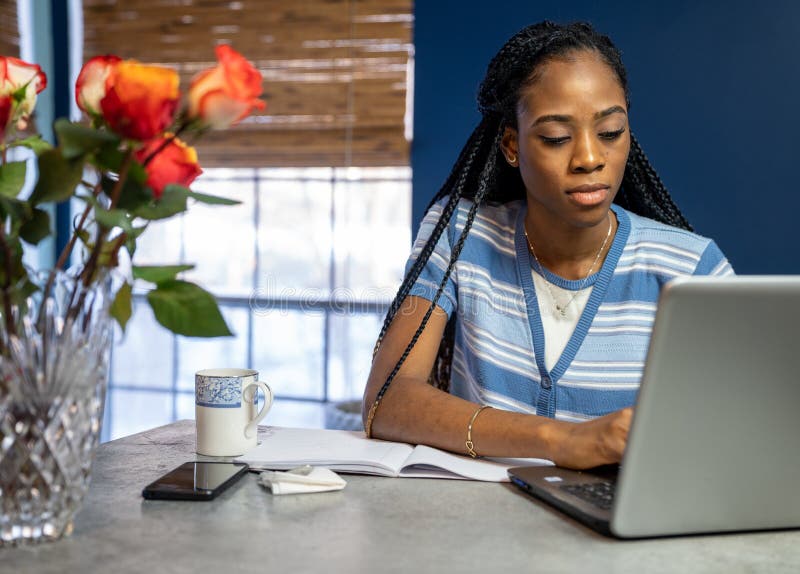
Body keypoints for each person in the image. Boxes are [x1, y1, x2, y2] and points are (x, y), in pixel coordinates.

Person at [362, 21, 733, 469]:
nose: (590, 159)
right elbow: (387, 400)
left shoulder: (692, 268)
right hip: (472, 527)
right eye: (557, 138)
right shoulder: (460, 234)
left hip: (620, 529)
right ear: (512, 145)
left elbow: (739, 431)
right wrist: (561, 440)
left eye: (611, 132)